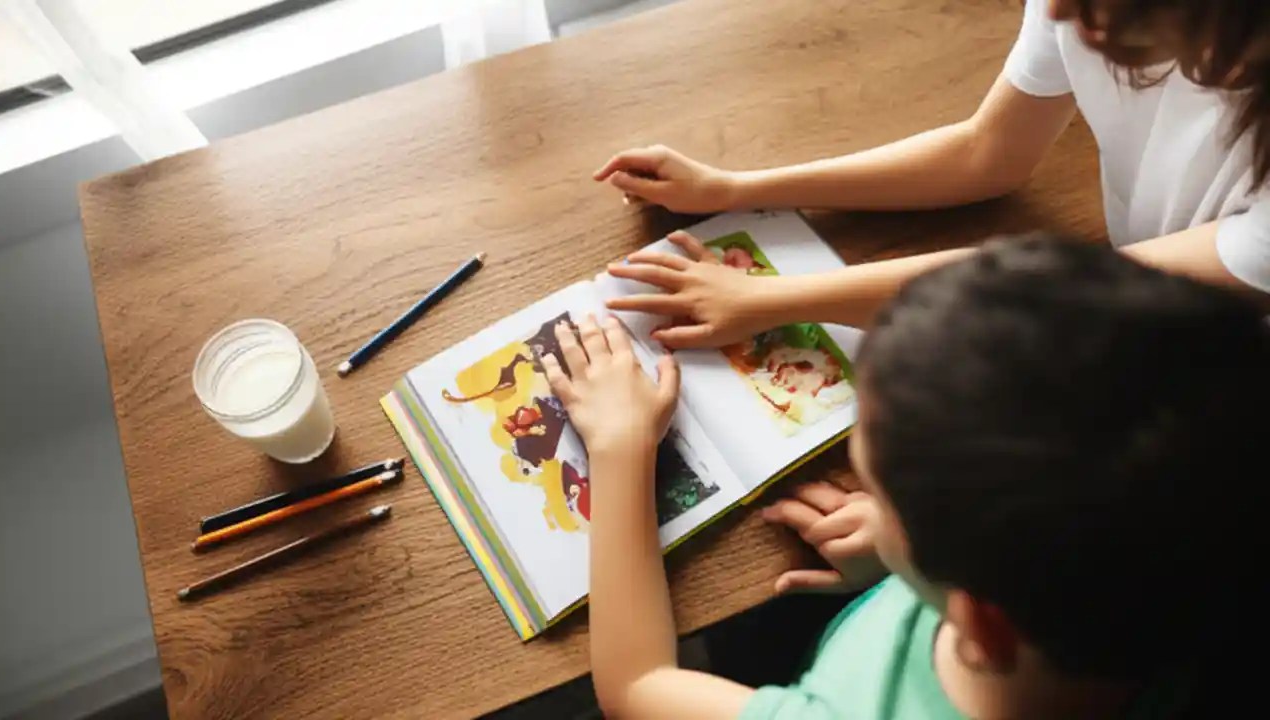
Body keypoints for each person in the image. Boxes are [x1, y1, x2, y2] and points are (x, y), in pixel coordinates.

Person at [540, 236, 1268, 719]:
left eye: (877, 487)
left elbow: (635, 686)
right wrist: (895, 567)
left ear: (981, 620)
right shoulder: (1205, 555)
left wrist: (621, 445)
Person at [592, 0, 1270, 348]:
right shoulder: (1092, 10)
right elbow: (989, 151)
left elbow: (1074, 291)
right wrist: (735, 189)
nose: (1054, 14)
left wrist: (770, 300)